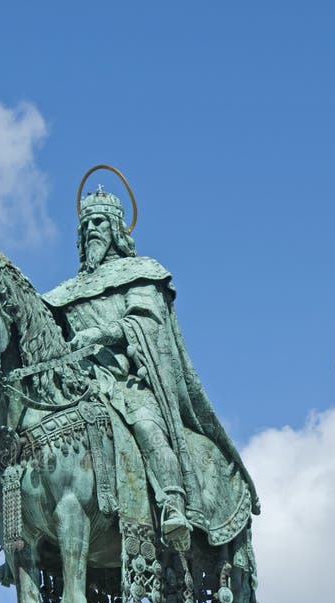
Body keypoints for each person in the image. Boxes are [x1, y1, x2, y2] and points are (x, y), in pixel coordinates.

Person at [43, 185, 260, 551]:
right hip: (79, 385)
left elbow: (146, 322)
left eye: (99, 222)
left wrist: (103, 333)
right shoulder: (63, 294)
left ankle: (172, 503)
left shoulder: (139, 272)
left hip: (126, 381)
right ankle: (28, 532)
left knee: (147, 427)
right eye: (86, 225)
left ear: (116, 229)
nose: (92, 229)